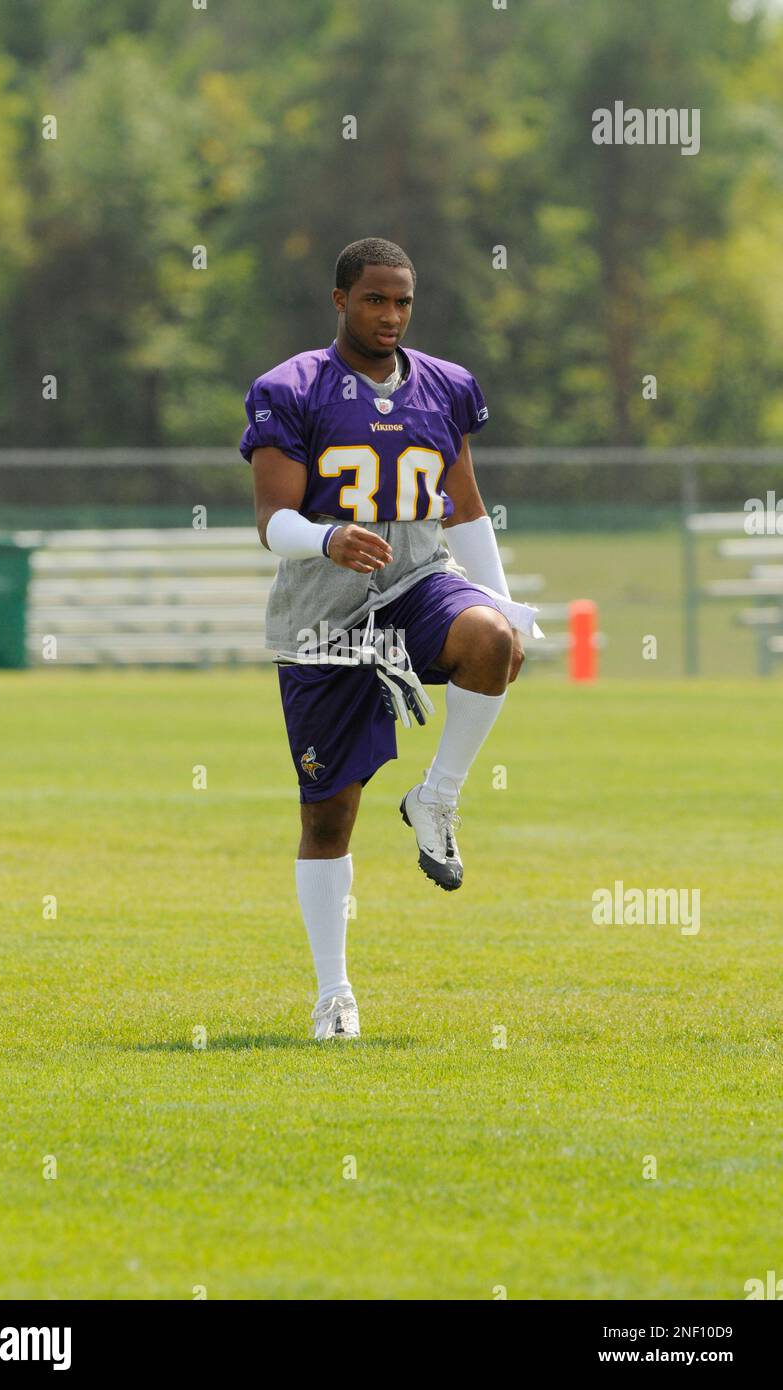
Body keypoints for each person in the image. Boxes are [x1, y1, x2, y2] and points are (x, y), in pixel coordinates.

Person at [240, 237, 540, 1041]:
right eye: (374, 299)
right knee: (328, 817)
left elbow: (465, 507)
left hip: (413, 583)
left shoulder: (442, 386)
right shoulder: (291, 389)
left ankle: (435, 799)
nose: (390, 316)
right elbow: (273, 520)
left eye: (402, 301)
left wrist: (504, 602)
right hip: (323, 614)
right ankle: (334, 992)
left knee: (490, 639)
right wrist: (327, 539)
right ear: (340, 299)